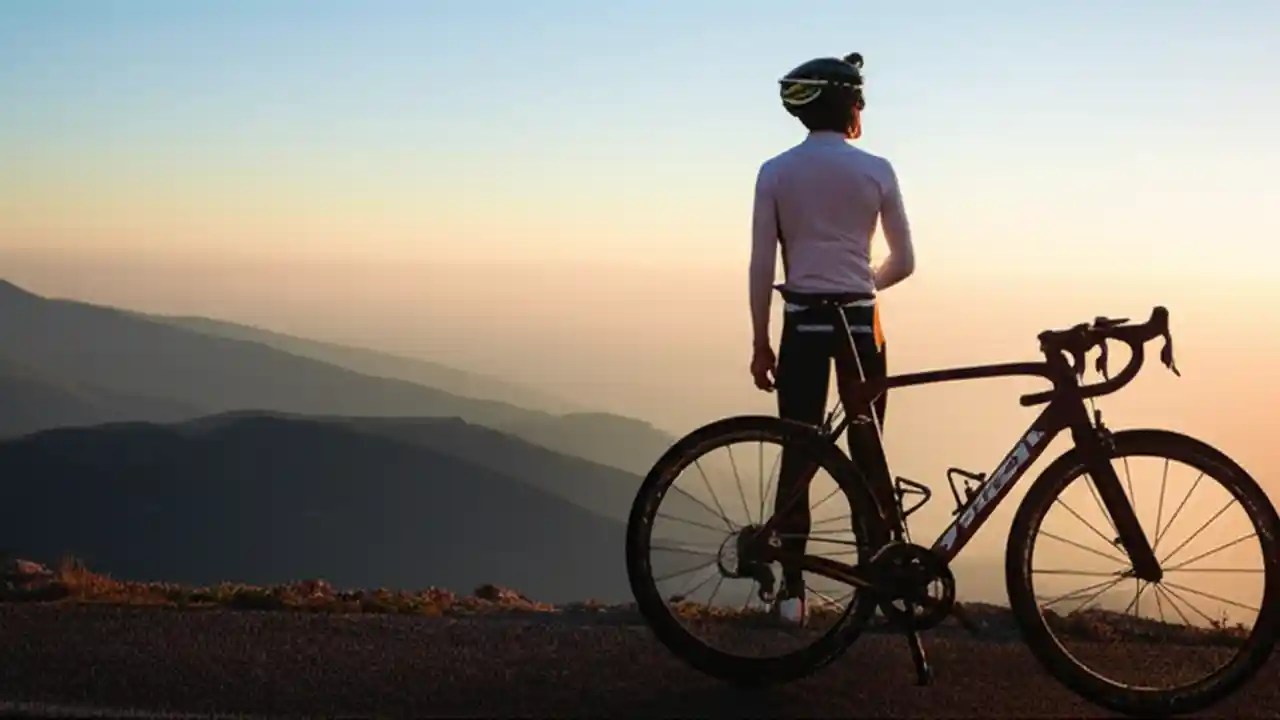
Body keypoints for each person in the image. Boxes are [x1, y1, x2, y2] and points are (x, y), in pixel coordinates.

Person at [747, 52, 916, 626]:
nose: (864, 109)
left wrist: (759, 342)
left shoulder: (774, 171)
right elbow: (906, 262)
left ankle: (792, 593)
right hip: (861, 327)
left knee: (799, 455)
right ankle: (879, 581)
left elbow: (759, 265)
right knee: (870, 454)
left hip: (802, 325)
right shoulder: (877, 169)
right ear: (848, 104)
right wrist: (864, 279)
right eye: (861, 99)